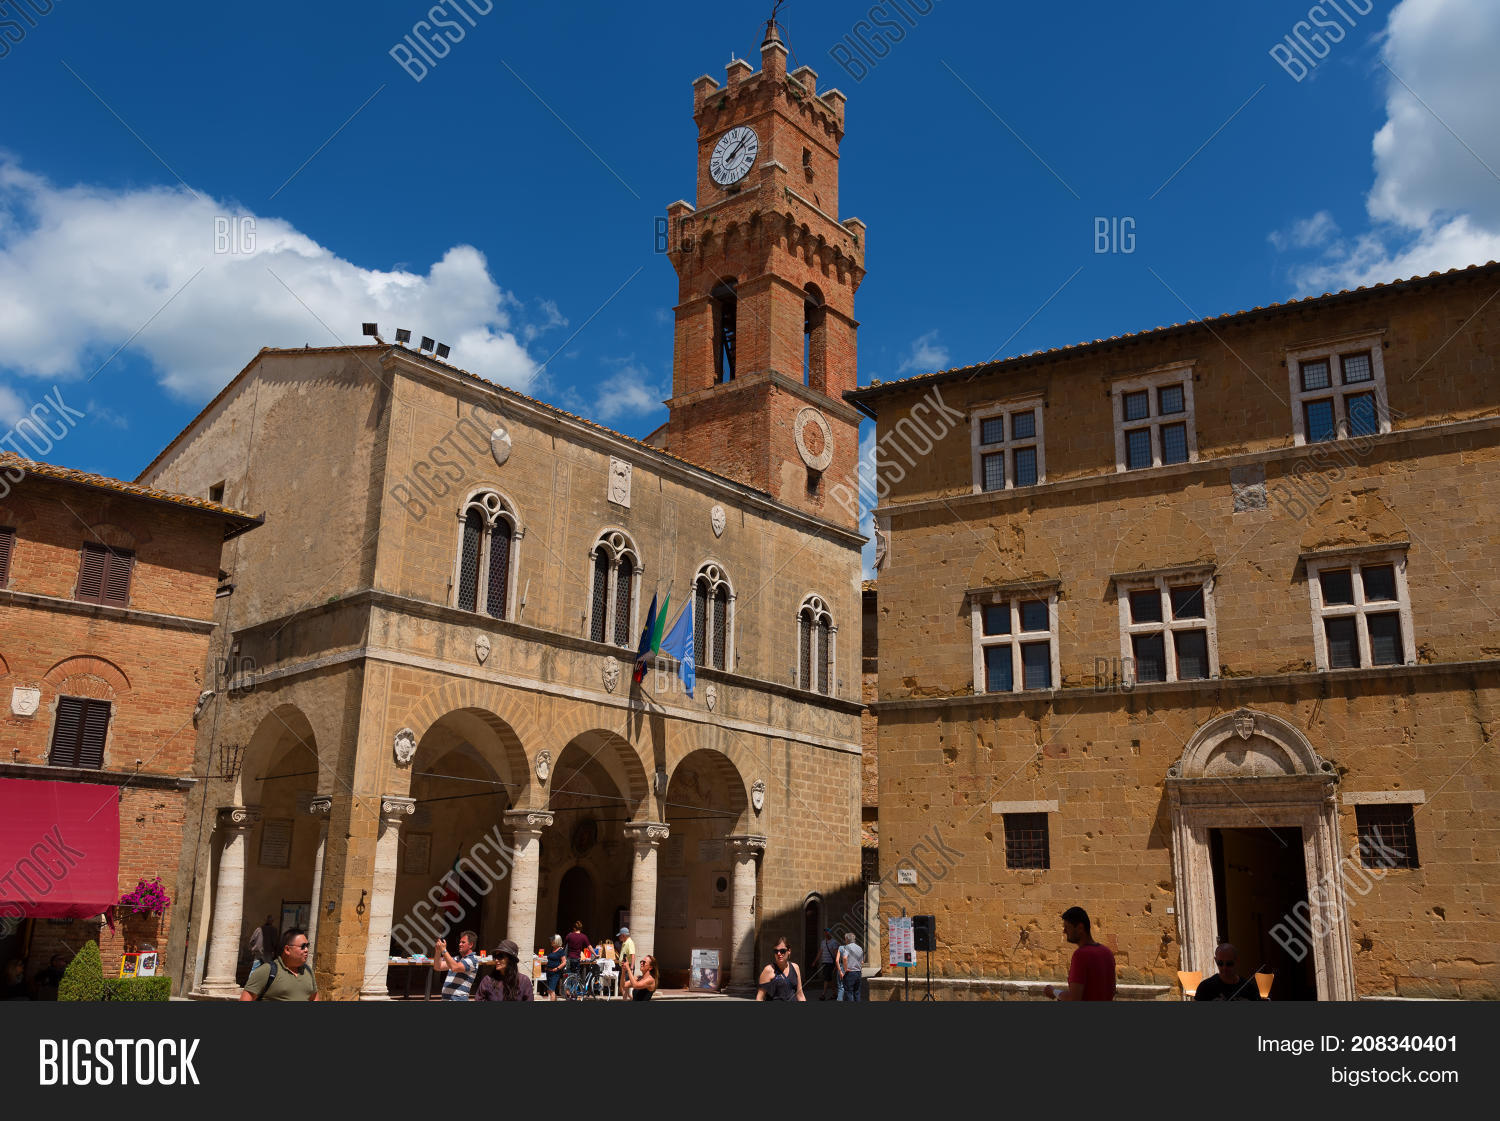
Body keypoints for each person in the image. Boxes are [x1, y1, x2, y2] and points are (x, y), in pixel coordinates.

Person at [1043, 905, 1116, 1001]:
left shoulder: (1081, 955)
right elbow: (1112, 990)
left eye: (1067, 927)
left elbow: (1074, 998)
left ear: (1080, 928)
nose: (1064, 931)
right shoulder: (1107, 953)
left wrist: (1053, 991)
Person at [239, 928, 318, 1001]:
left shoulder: (308, 971)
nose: (306, 950)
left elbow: (314, 998)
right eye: (303, 946)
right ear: (287, 949)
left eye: (307, 946)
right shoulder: (267, 971)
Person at [1194, 943, 1265, 1001]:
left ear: (1237, 961)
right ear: (1215, 961)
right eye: (1220, 963)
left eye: (1229, 964)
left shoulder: (1249, 988)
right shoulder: (1205, 987)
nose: (1224, 968)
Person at [433, 930, 480, 1001]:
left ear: (471, 945)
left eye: (463, 942)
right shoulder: (456, 959)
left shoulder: (473, 960)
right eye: (460, 942)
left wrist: (444, 950)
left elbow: (455, 967)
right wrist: (438, 951)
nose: (460, 944)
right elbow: (437, 967)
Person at [755, 937, 805, 1001]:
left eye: (782, 951)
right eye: (776, 951)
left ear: (789, 951)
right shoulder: (768, 970)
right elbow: (759, 998)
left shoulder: (795, 967)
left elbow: (800, 995)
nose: (779, 954)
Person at [816, 927, 840, 1000]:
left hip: (831, 963)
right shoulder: (823, 942)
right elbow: (820, 952)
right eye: (825, 932)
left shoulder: (834, 942)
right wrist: (815, 961)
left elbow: (836, 954)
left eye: (827, 932)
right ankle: (835, 994)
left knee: (826, 978)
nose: (826, 933)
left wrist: (836, 965)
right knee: (829, 979)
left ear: (830, 933)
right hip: (824, 962)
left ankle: (823, 995)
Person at [542, 934, 567, 1001]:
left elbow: (564, 962)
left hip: (555, 973)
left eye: (552, 940)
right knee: (549, 990)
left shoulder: (560, 951)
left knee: (551, 990)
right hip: (548, 972)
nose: (551, 941)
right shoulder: (552, 949)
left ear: (556, 941)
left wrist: (557, 968)